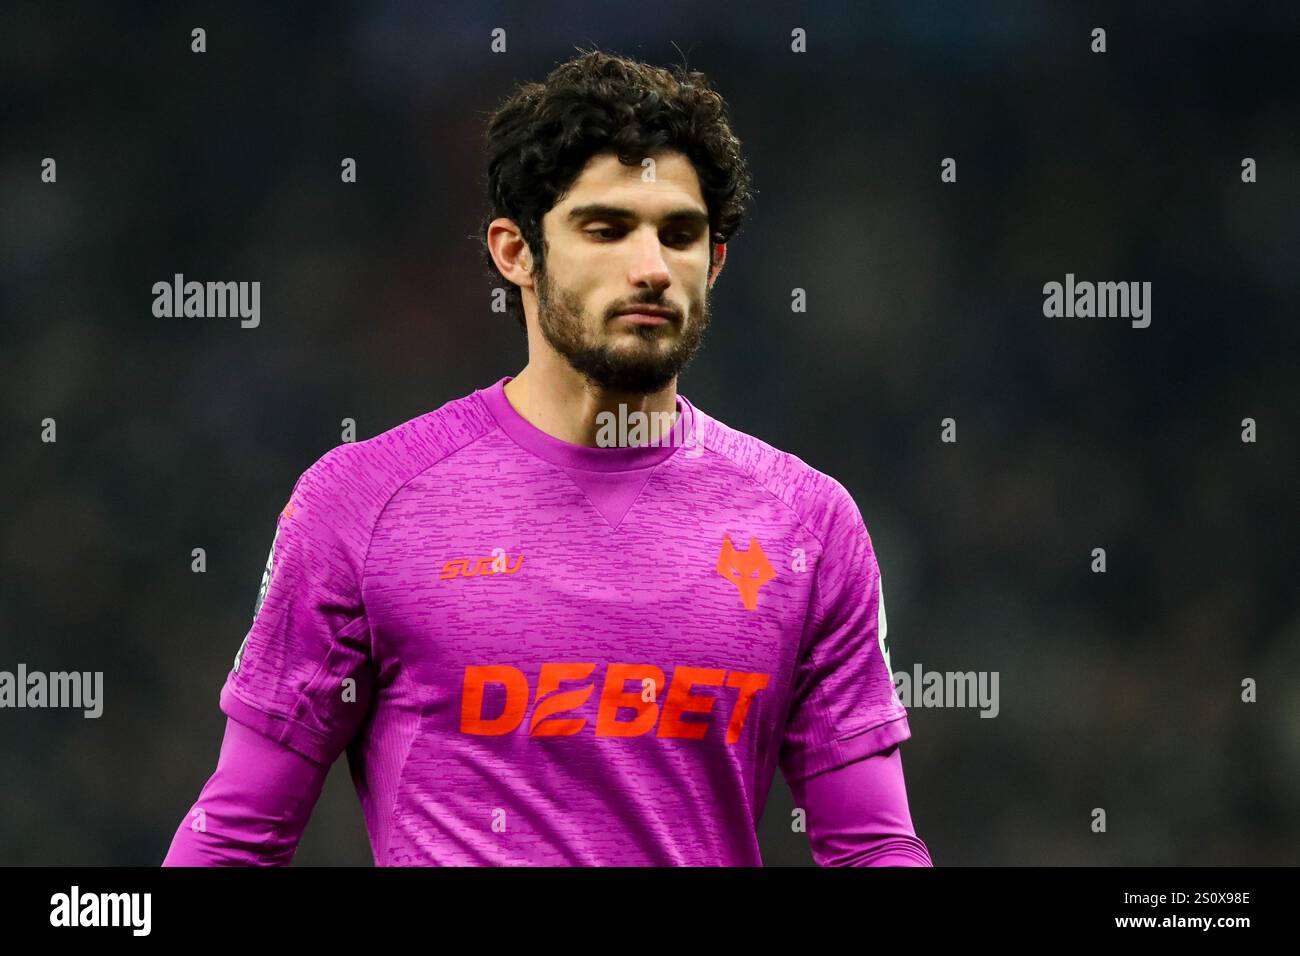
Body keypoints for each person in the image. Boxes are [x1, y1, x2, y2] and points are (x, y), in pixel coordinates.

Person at [163, 49, 932, 867]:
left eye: (680, 235)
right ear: (515, 252)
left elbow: (873, 849)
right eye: (605, 229)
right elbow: (237, 836)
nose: (651, 268)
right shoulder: (361, 501)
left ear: (715, 262)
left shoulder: (809, 524)